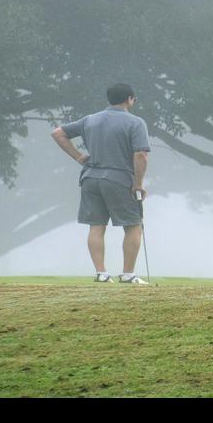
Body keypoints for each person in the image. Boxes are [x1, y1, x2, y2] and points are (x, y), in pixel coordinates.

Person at [51, 84, 152, 284]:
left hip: (90, 178)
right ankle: (128, 274)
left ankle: (101, 273)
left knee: (96, 226)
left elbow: (57, 133)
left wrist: (79, 157)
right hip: (119, 179)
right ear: (130, 99)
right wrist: (138, 184)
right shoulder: (136, 122)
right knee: (133, 226)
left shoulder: (90, 120)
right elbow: (140, 154)